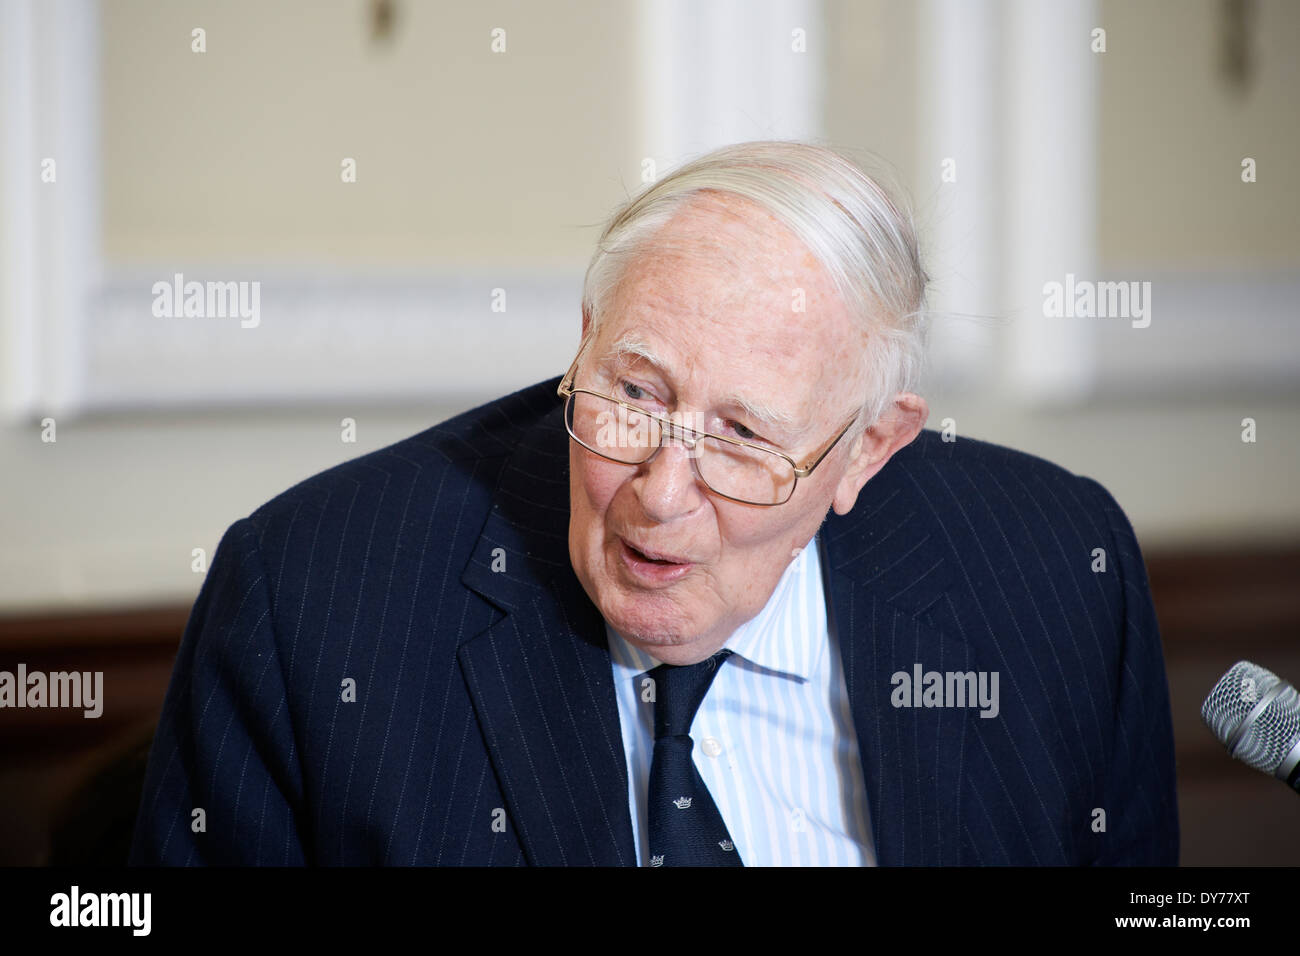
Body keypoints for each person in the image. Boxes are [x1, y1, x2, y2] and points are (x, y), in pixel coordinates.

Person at [129, 141, 1178, 866]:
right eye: (634, 393)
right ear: (585, 335)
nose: (661, 493)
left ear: (868, 448)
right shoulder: (315, 594)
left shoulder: (1054, 573)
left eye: (742, 435)